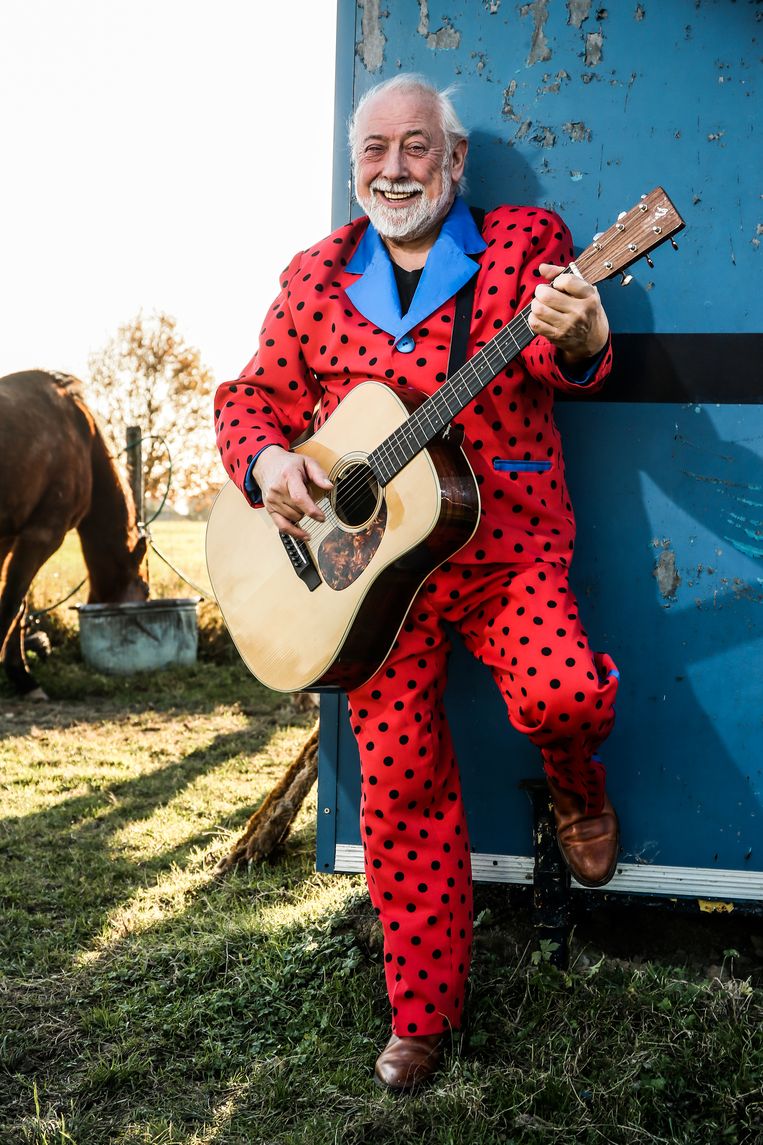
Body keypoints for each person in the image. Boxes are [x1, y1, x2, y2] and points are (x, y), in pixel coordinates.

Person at [214, 74, 620, 1092]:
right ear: (355, 166)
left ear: (454, 160)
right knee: (398, 793)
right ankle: (421, 1015)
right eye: (374, 151)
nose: (393, 169)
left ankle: (576, 784)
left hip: (500, 549)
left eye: (415, 147)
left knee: (562, 691)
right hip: (365, 590)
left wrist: (583, 336)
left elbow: (567, 352)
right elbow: (248, 399)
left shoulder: (523, 242)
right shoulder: (314, 276)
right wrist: (266, 465)